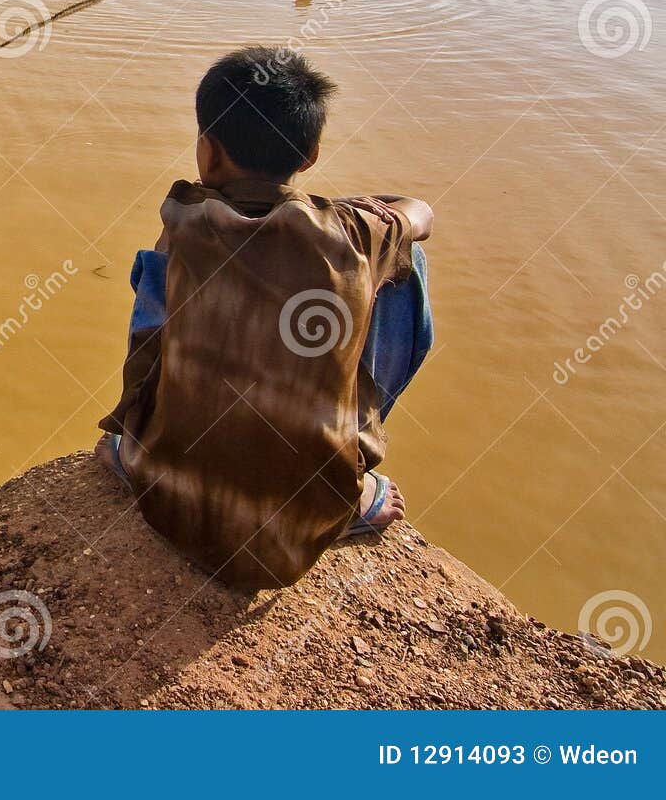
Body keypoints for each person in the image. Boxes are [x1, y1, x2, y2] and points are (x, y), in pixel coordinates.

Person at [95, 46, 434, 590]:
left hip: (164, 500)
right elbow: (422, 215)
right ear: (311, 156)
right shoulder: (351, 232)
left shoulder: (180, 219)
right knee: (405, 260)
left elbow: (151, 328)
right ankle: (355, 466)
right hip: (295, 536)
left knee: (155, 267)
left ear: (207, 154)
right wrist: (372, 215)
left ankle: (134, 439)